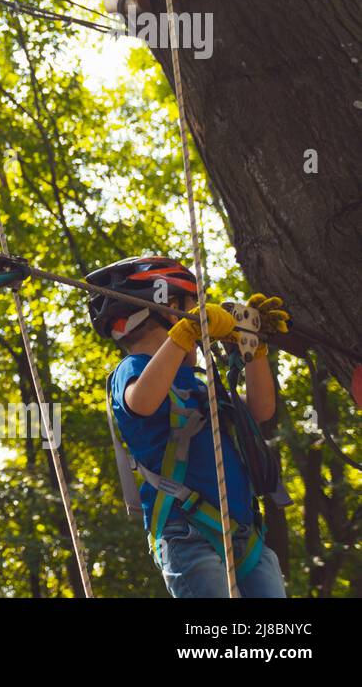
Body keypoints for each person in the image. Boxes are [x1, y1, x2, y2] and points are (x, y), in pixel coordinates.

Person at [87, 255, 290, 597]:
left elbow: (261, 409)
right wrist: (185, 332)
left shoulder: (199, 384)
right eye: (193, 307)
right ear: (169, 309)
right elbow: (142, 401)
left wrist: (253, 346)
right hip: (187, 532)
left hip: (244, 533)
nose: (201, 327)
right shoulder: (132, 368)